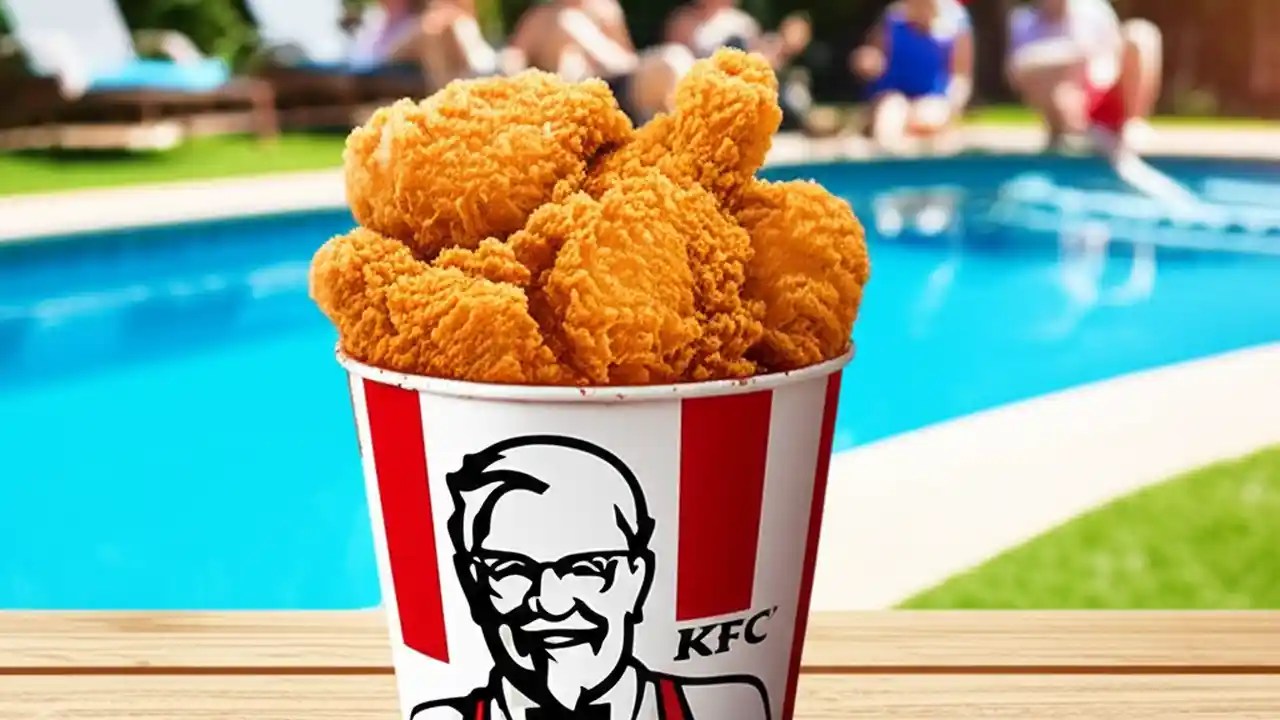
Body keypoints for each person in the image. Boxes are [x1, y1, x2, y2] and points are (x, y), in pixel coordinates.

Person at [412, 436, 771, 720]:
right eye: (511, 570)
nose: (552, 604)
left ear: (637, 579)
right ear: (472, 584)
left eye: (587, 568)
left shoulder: (722, 706)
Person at [1006, 0, 1163, 154]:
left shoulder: (1093, 10)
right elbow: (1017, 69)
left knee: (1140, 34)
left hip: (1104, 87)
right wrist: (1073, 59)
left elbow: (1115, 54)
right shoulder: (1024, 21)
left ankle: (1131, 125)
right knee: (1045, 78)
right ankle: (1071, 134)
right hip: (1066, 97)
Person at [502, 0, 694, 123]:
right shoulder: (541, 17)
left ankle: (685, 137)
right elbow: (513, 58)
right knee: (567, 24)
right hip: (566, 100)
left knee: (673, 60)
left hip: (614, 87)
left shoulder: (605, 9)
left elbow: (628, 60)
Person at [664, 1, 813, 129]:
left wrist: (783, 47)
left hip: (736, 85)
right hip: (701, 85)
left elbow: (758, 56)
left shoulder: (742, 23)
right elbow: (677, 60)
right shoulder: (684, 21)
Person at [850, 0, 974, 153]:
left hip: (934, 98)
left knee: (929, 117)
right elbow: (876, 54)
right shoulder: (893, 17)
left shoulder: (955, 22)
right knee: (890, 115)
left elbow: (960, 78)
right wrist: (868, 61)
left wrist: (952, 108)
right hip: (895, 95)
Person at [346, 0, 498, 89]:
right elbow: (365, 61)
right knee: (431, 30)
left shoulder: (434, 20)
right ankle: (452, 98)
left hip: (473, 65)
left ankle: (455, 96)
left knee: (438, 26)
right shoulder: (375, 22)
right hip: (380, 69)